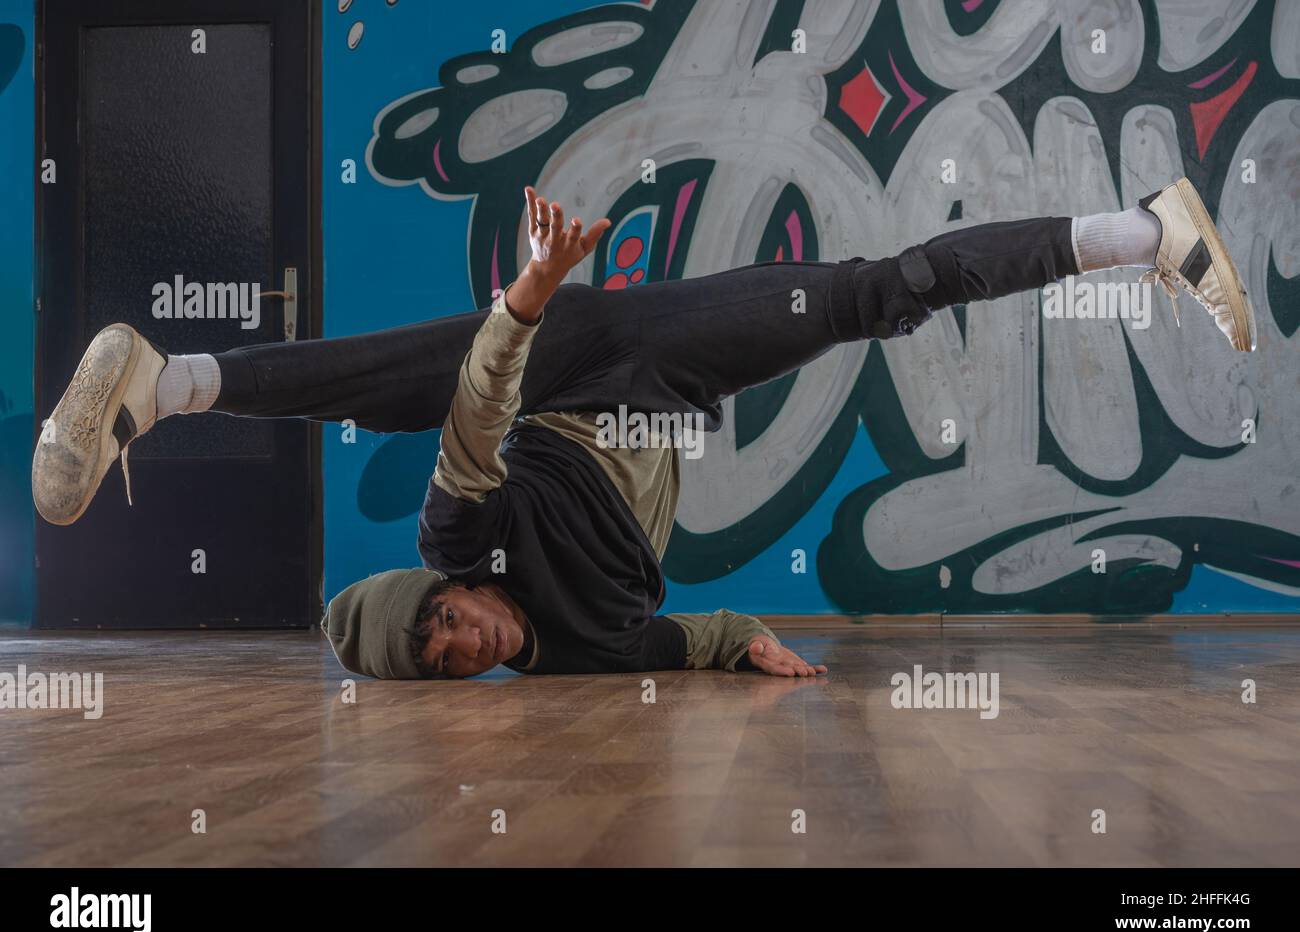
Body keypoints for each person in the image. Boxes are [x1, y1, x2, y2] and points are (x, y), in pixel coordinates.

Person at [32, 179, 1255, 679]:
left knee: (419, 376)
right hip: (662, 382)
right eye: (450, 660)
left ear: (436, 586)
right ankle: (1152, 231)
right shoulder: (586, 656)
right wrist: (753, 652)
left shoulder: (463, 534)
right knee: (876, 301)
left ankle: (173, 380)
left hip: (567, 362)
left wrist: (525, 300)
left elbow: (475, 416)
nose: (466, 640)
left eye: (441, 619)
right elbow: (700, 634)